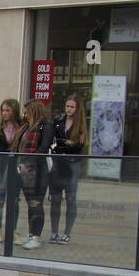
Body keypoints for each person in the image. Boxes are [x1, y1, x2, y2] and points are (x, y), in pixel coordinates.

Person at [13, 99, 54, 250]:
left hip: (38, 170)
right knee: (30, 203)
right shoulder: (26, 127)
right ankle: (31, 234)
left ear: (34, 112)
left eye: (27, 112)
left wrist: (28, 163)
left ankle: (36, 236)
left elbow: (43, 148)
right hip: (23, 169)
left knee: (36, 203)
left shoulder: (46, 126)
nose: (25, 115)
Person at [48, 93, 87, 245]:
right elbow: (54, 140)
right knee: (55, 199)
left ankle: (67, 233)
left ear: (77, 109)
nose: (69, 109)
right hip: (58, 162)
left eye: (72, 107)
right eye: (67, 106)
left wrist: (67, 144)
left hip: (73, 163)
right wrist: (66, 143)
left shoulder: (81, 123)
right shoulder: (58, 120)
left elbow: (79, 145)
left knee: (71, 198)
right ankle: (54, 232)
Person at [0, 98, 23, 243]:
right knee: (0, 198)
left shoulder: (22, 125)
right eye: (3, 110)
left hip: (16, 166)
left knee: (14, 199)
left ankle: (12, 230)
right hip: (1, 165)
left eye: (8, 110)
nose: (4, 113)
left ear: (14, 111)